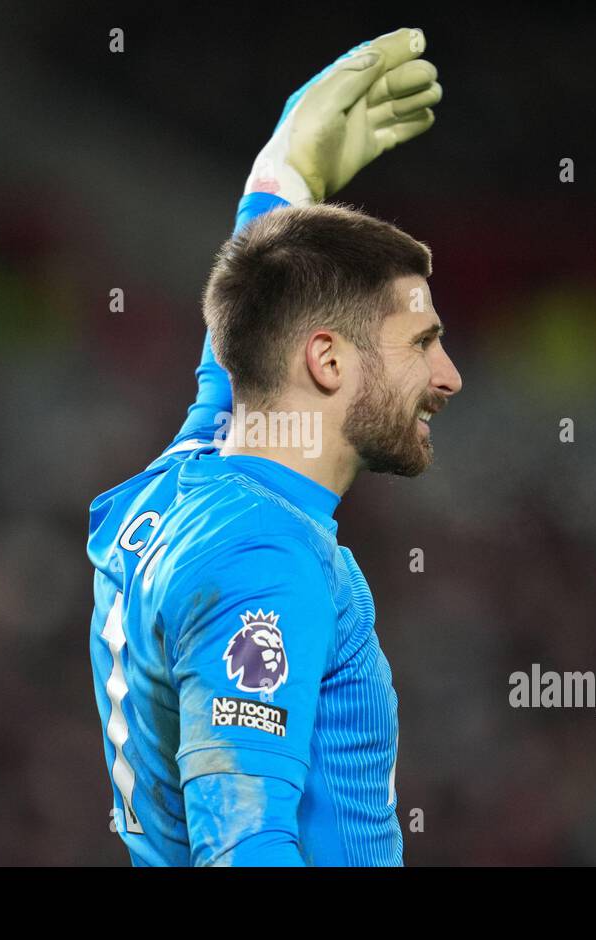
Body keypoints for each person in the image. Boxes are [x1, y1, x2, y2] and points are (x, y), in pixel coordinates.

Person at [87, 27, 461, 865]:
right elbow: (245, 845)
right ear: (327, 360)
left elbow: (245, 338)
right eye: (422, 343)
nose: (449, 376)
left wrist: (285, 166)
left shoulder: (188, 479)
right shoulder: (266, 559)